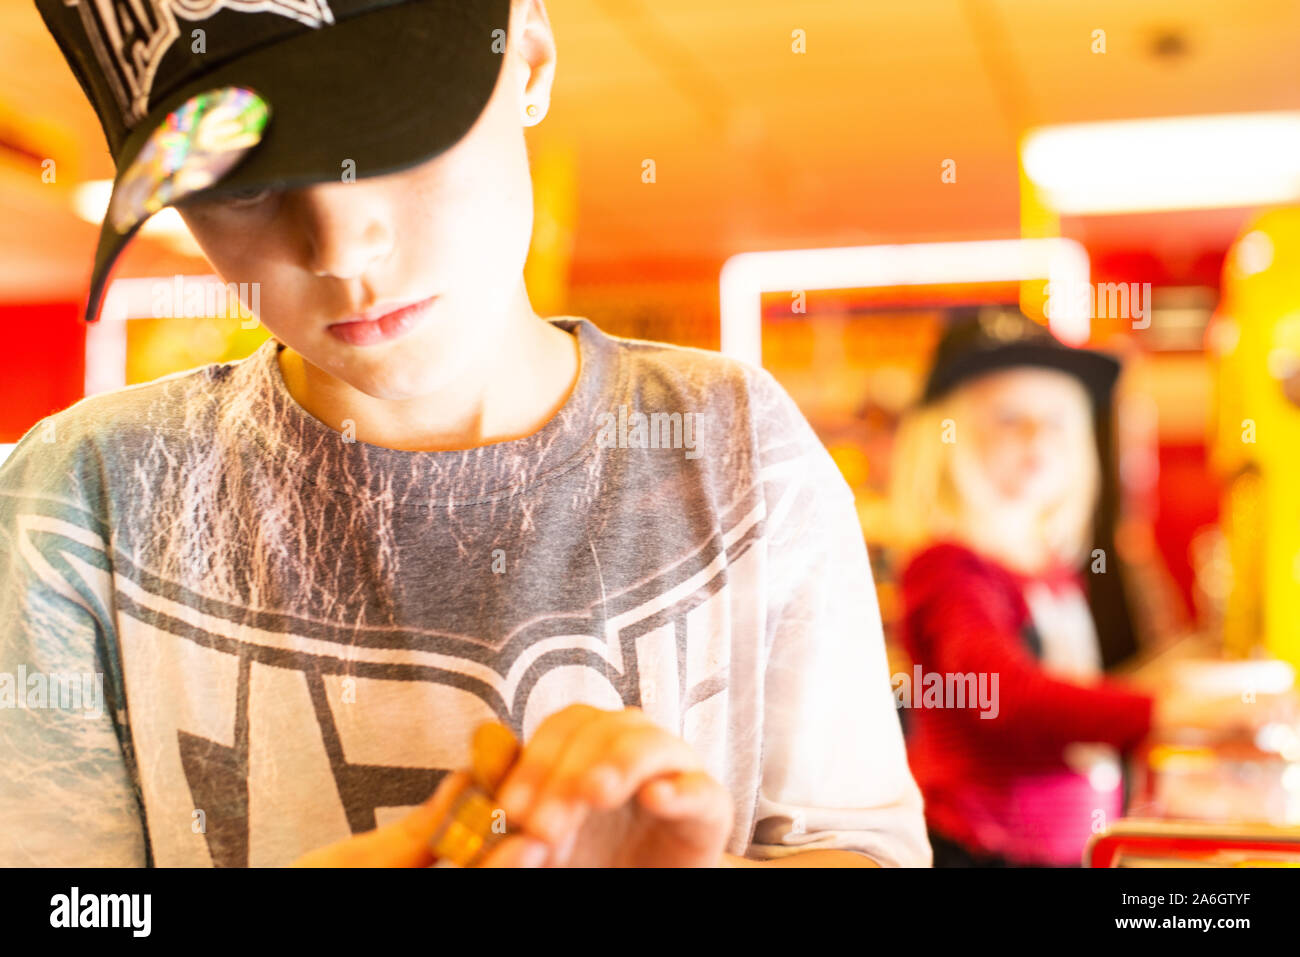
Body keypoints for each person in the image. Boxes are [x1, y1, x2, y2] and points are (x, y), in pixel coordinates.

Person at [1, 0, 929, 867]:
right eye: (240, 182)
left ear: (527, 50)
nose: (340, 246)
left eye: (389, 132)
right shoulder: (80, 500)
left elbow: (859, 843)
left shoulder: (738, 448)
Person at [888, 306, 1263, 868]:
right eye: (1009, 418)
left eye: (1058, 419)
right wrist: (1171, 709)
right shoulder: (948, 568)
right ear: (946, 437)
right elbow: (1005, 696)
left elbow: (1072, 695)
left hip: (1062, 850)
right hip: (979, 850)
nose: (1038, 436)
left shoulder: (1048, 565)